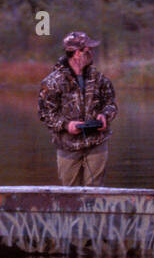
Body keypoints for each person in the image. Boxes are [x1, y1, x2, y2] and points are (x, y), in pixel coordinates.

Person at [37, 31, 117, 186]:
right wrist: (67, 125)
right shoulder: (53, 82)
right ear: (76, 53)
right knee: (70, 195)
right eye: (88, 50)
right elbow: (46, 114)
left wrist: (104, 116)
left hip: (97, 144)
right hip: (68, 146)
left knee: (95, 194)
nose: (92, 53)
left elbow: (111, 103)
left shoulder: (99, 79)